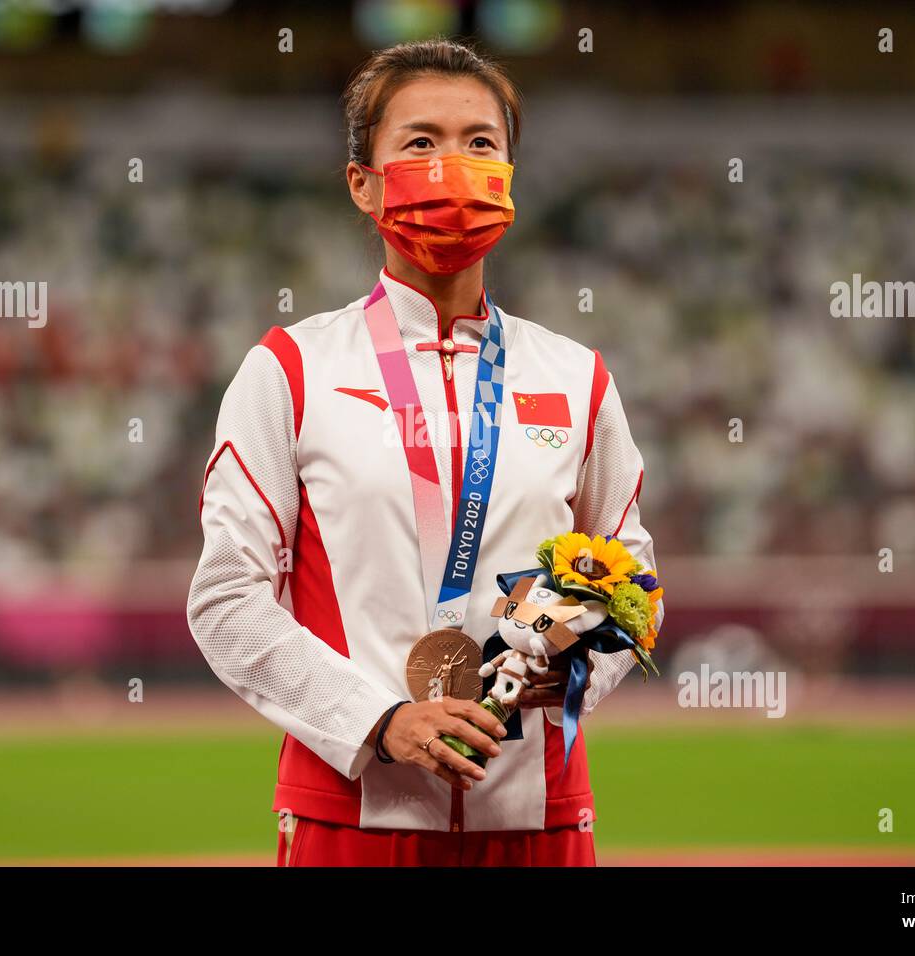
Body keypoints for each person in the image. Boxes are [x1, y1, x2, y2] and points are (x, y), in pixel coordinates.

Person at [187, 38, 663, 867]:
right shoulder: (291, 370)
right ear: (360, 183)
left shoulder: (576, 376)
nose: (453, 165)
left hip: (539, 818)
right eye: (420, 142)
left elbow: (634, 580)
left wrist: (580, 668)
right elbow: (226, 597)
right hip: (352, 818)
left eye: (481, 142)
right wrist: (378, 719)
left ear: (509, 175)